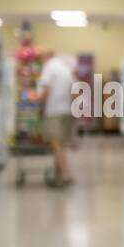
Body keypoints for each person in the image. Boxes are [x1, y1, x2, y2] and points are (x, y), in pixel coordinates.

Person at [37, 51, 77, 186]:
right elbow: (74, 90)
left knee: (56, 143)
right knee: (60, 145)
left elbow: (46, 89)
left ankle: (65, 174)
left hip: (53, 111)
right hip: (66, 111)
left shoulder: (49, 67)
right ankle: (57, 175)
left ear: (46, 57)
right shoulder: (65, 68)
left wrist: (40, 105)